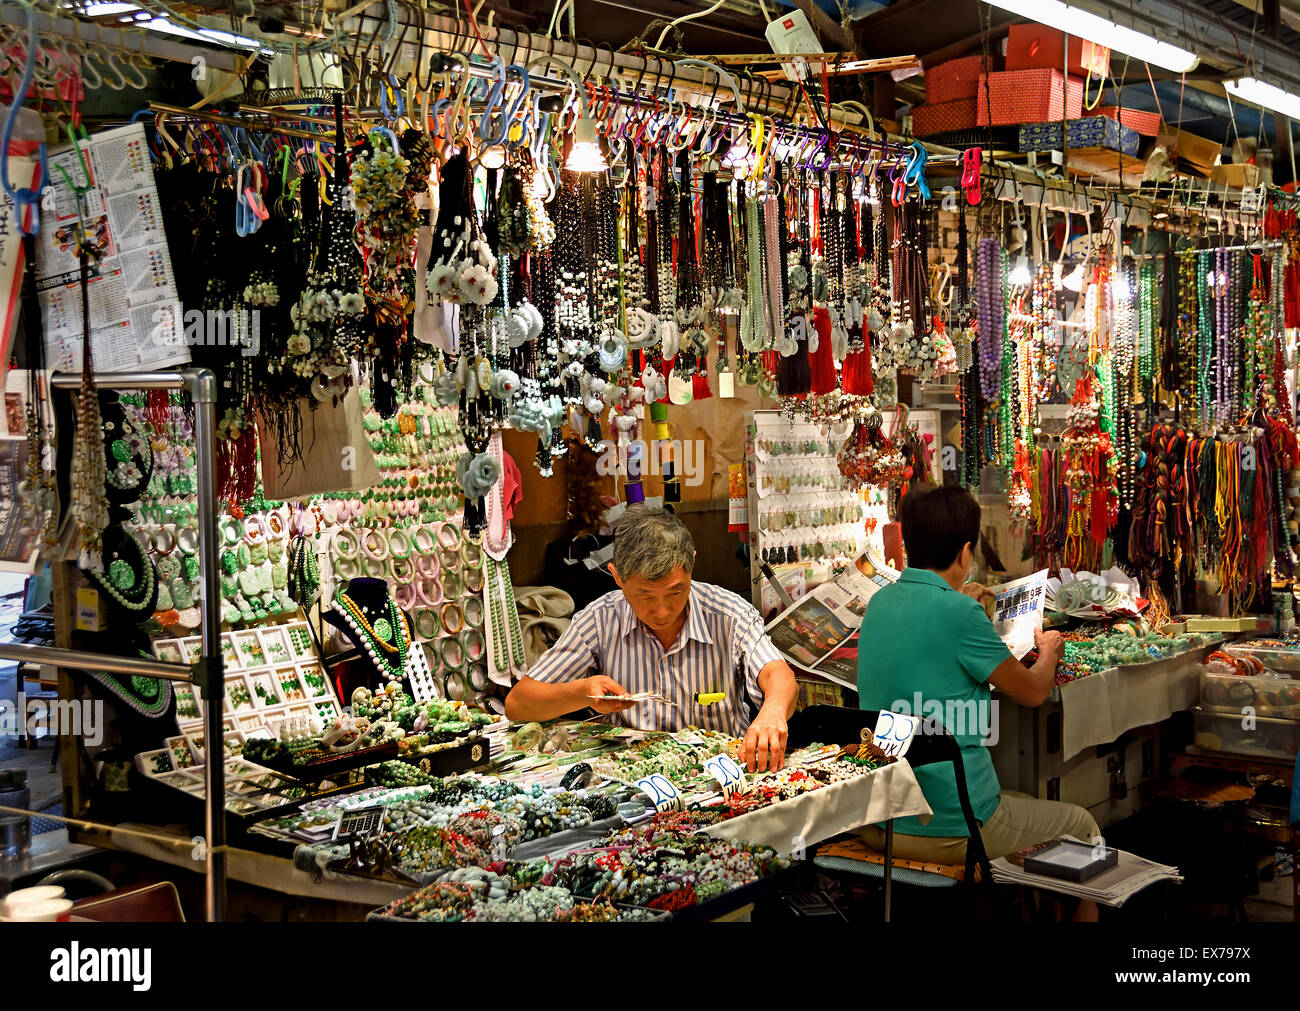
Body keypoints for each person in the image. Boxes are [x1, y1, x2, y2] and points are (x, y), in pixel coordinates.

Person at [856, 484, 1100, 920]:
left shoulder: (878, 603)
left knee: (1017, 799)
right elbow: (1032, 691)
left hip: (882, 822)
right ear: (967, 552)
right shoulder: (960, 614)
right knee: (1082, 827)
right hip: (949, 828)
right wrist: (1048, 651)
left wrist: (959, 602)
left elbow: (928, 645)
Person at [506, 506, 798, 771]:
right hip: (634, 780)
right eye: (644, 595)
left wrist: (772, 711)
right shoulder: (600, 619)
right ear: (617, 577)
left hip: (721, 775)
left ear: (691, 565)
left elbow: (777, 673)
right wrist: (582, 693)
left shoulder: (729, 614)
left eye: (675, 591)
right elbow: (518, 704)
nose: (661, 611)